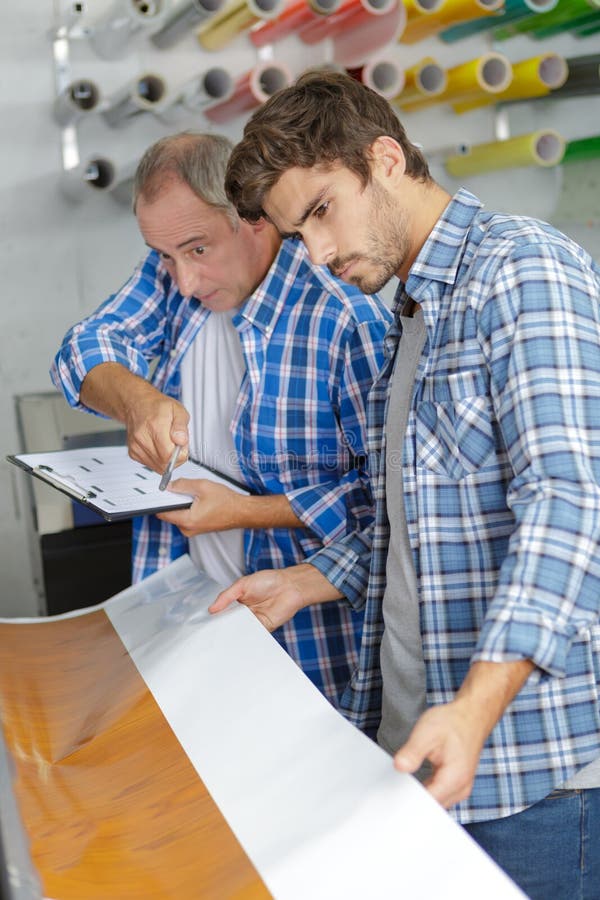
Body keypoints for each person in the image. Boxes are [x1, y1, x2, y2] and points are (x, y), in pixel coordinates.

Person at [217, 71, 600, 897]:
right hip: (415, 752)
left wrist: (474, 709)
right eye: (295, 238)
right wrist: (309, 580)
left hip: (526, 774)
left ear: (385, 158)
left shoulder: (523, 271)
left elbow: (571, 507)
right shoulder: (415, 313)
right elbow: (418, 517)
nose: (315, 255)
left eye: (319, 211)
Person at [51, 131, 392, 708]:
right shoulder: (178, 274)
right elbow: (85, 346)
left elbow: (385, 508)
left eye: (197, 250)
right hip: (183, 629)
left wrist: (244, 512)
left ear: (255, 217)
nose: (182, 280)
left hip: (305, 656)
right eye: (164, 255)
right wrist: (140, 401)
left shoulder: (345, 323)